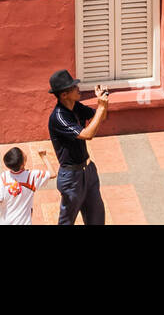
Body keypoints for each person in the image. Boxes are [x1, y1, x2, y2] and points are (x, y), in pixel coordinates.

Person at [47, 69, 108, 225]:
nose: (78, 88)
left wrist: (103, 102)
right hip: (71, 178)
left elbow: (102, 117)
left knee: (97, 218)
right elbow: (87, 134)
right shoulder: (59, 116)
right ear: (64, 95)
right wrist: (100, 108)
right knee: (67, 222)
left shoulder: (76, 106)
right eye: (73, 87)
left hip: (88, 172)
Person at [0, 145, 53, 226]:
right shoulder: (32, 176)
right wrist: (43, 156)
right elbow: (52, 173)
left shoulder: (4, 177)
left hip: (4, 221)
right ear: (22, 164)